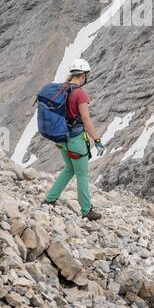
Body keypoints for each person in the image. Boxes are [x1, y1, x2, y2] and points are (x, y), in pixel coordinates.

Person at [44, 58, 105, 220]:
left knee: (69, 169)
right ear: (84, 74)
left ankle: (49, 200)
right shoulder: (80, 93)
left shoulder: (62, 88)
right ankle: (86, 210)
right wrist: (97, 140)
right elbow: (86, 119)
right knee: (83, 175)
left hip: (60, 138)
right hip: (76, 139)